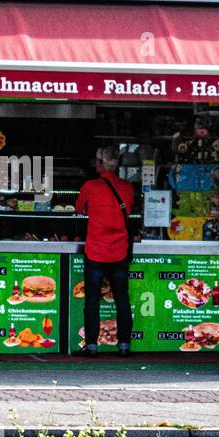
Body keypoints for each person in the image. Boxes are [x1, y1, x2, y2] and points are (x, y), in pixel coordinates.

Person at [75, 146, 136, 357]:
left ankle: (91, 345)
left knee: (92, 299)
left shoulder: (90, 187)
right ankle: (124, 345)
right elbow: (130, 209)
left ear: (100, 164)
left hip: (96, 252)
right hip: (119, 250)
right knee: (122, 299)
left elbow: (79, 209)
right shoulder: (127, 188)